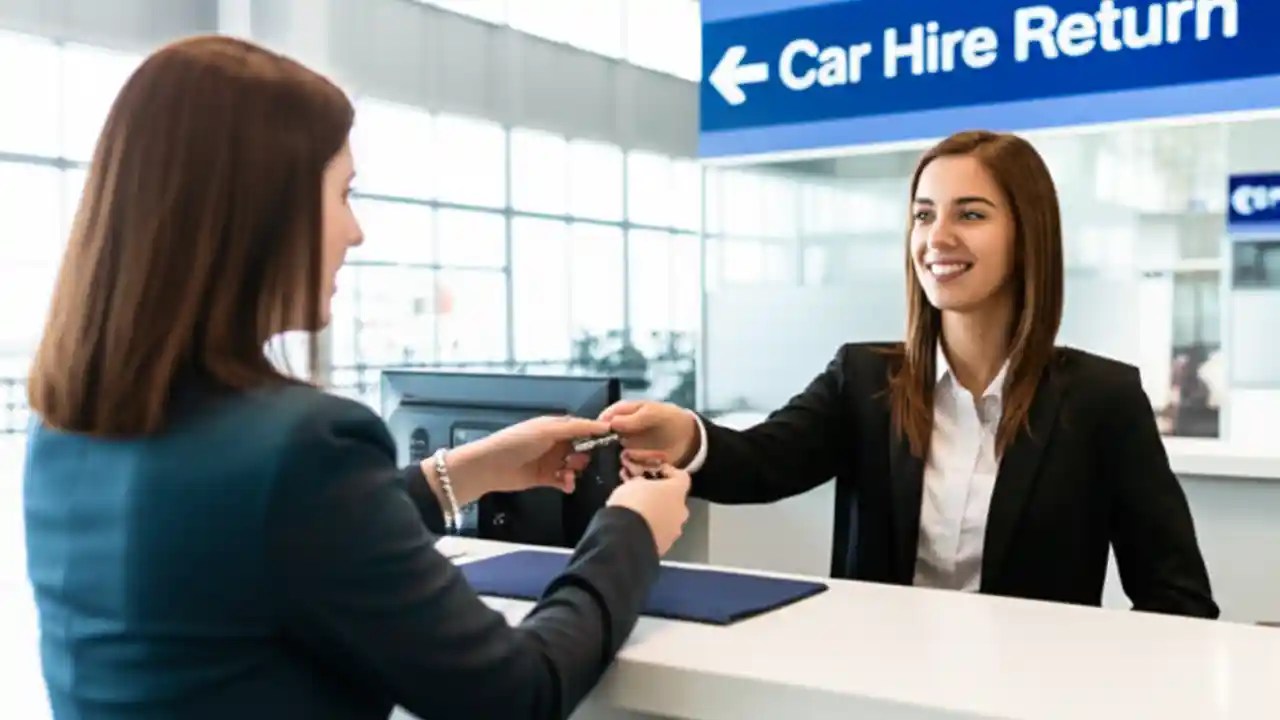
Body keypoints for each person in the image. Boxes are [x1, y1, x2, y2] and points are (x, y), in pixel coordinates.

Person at [23, 35, 691, 720]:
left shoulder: (66, 425)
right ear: (259, 214)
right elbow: (516, 693)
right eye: (343, 194)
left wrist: (461, 473)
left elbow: (265, 539)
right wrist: (629, 531)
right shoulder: (300, 447)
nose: (356, 231)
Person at [603, 130, 1219, 619]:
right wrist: (683, 435)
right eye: (924, 215)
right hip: (877, 690)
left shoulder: (1101, 400)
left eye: (971, 215)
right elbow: (763, 462)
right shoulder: (864, 377)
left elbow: (1177, 598)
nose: (936, 237)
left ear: (1027, 236)